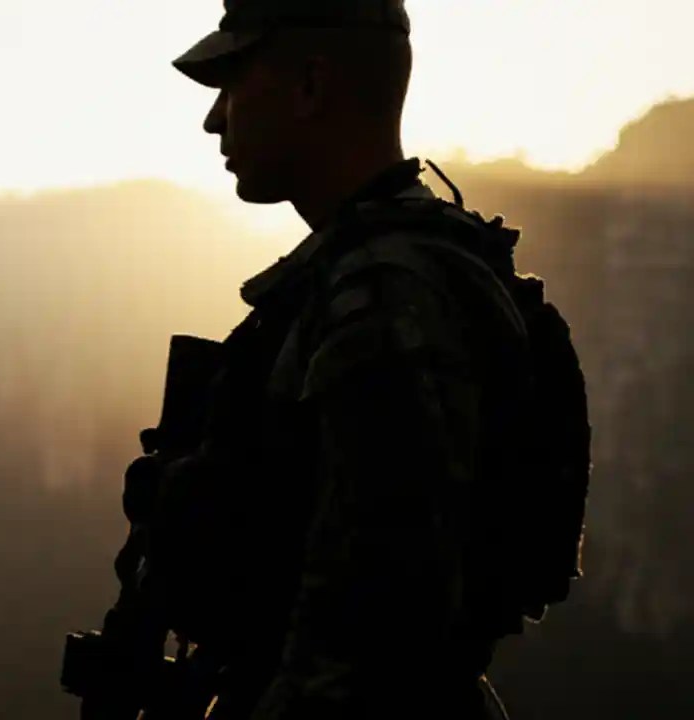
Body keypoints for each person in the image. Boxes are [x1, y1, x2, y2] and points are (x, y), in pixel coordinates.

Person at [88, 1, 589, 718]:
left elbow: (374, 629)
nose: (215, 120)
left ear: (311, 86)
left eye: (232, 86)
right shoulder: (368, 274)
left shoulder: (389, 293)